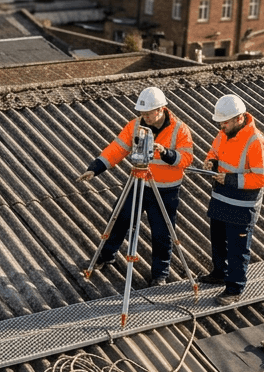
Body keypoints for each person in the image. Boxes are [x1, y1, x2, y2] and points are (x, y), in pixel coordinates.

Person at [76, 86, 194, 285]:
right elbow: (117, 149)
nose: (144, 117)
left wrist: (166, 153)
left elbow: (186, 158)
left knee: (162, 233)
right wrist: (95, 168)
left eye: (148, 113)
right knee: (119, 219)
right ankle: (105, 256)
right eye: (142, 113)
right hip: (138, 183)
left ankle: (160, 274)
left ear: (161, 110)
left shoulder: (179, 129)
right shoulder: (135, 125)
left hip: (165, 190)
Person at [201, 94, 264, 305]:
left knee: (237, 249)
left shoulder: (257, 142)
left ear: (239, 118)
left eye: (225, 121)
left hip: (241, 206)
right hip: (221, 199)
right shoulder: (224, 133)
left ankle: (234, 288)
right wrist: (211, 162)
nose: (221, 126)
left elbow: (261, 177)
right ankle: (219, 273)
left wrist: (231, 179)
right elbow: (214, 151)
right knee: (218, 241)